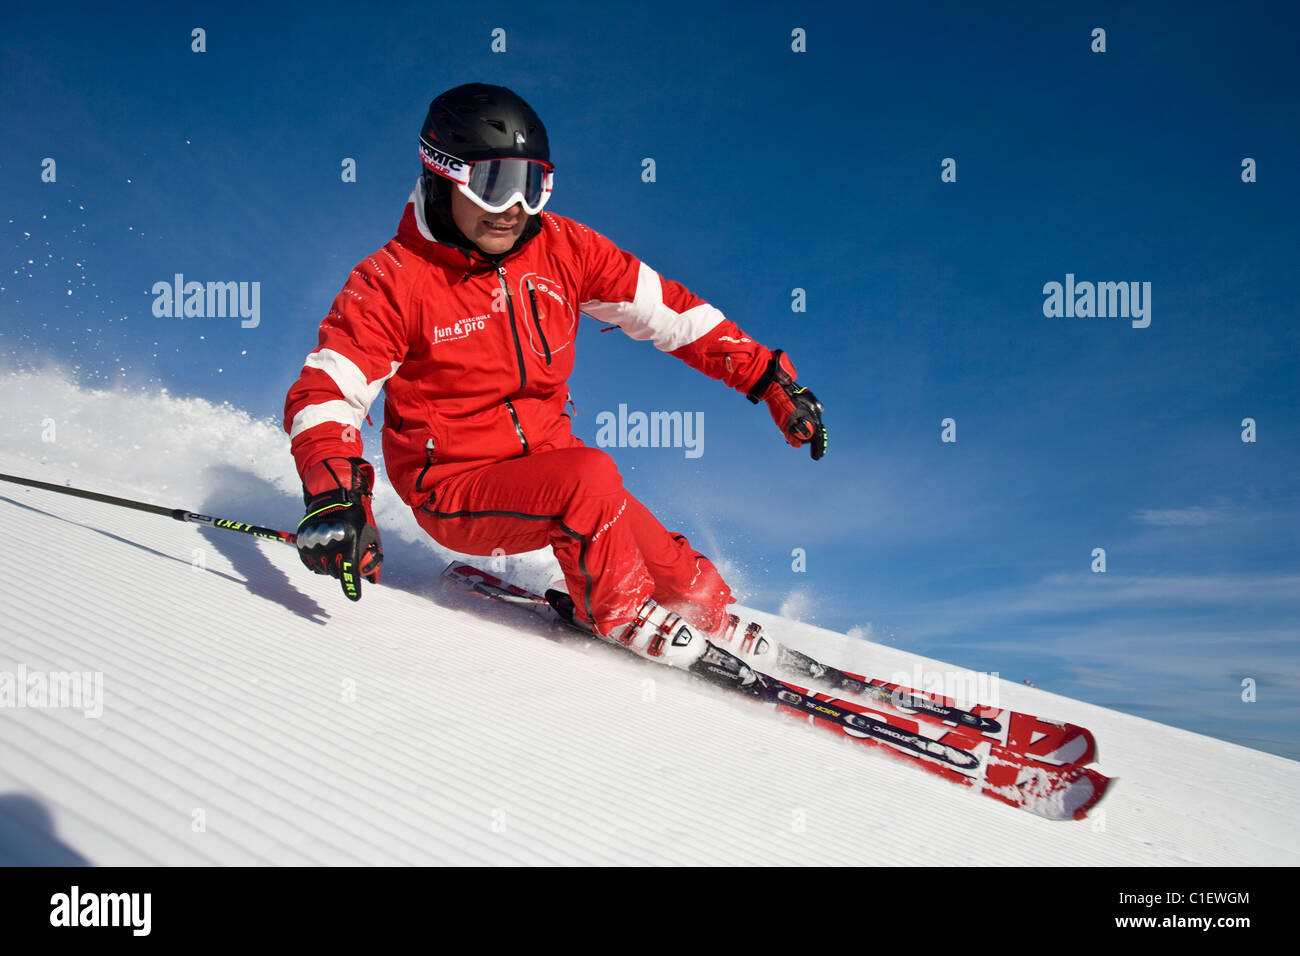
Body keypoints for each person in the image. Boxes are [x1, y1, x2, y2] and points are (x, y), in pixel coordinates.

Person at [284, 83, 826, 671]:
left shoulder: (562, 250)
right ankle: (617, 611)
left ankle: (712, 618)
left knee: (682, 574)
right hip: (455, 487)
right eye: (495, 185)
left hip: (552, 470)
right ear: (444, 174)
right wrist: (336, 493)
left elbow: (672, 313)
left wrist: (769, 379)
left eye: (533, 185)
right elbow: (329, 391)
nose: (515, 207)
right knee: (593, 482)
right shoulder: (392, 281)